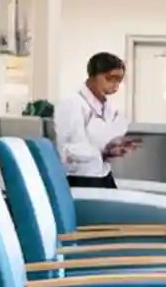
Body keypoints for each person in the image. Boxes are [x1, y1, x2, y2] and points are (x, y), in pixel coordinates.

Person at [54, 52, 139, 189]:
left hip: (103, 173)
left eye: (119, 80)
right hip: (80, 178)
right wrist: (102, 150)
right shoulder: (72, 104)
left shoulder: (107, 106)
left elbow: (100, 141)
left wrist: (112, 149)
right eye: (110, 79)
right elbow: (69, 150)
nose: (115, 85)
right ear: (93, 76)